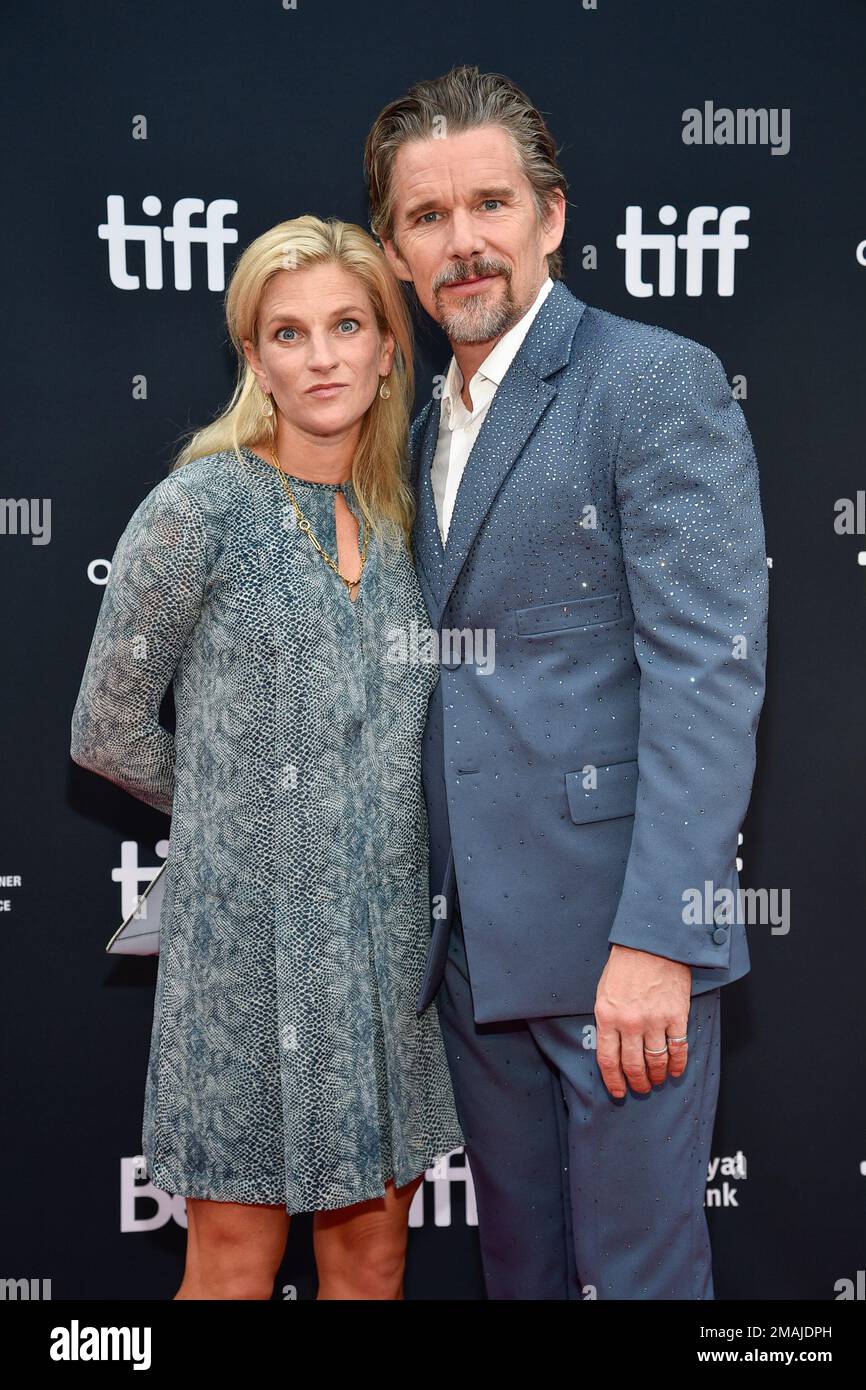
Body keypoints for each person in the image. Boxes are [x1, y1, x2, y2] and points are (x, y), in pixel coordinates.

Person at [363, 65, 769, 1299]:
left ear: (552, 214)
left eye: (491, 202)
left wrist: (661, 937)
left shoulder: (648, 379)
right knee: (518, 1270)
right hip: (476, 948)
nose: (463, 241)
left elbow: (708, 671)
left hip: (618, 948)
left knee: (642, 1278)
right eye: (427, 218)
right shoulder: (417, 425)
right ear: (393, 250)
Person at [70, 214, 464, 1300]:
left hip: (385, 964)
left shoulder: (407, 521)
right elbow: (103, 730)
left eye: (348, 325)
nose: (323, 355)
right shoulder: (197, 510)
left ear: (392, 347)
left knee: (374, 1263)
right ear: (254, 358)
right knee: (234, 1265)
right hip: (244, 961)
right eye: (288, 333)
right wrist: (237, 819)